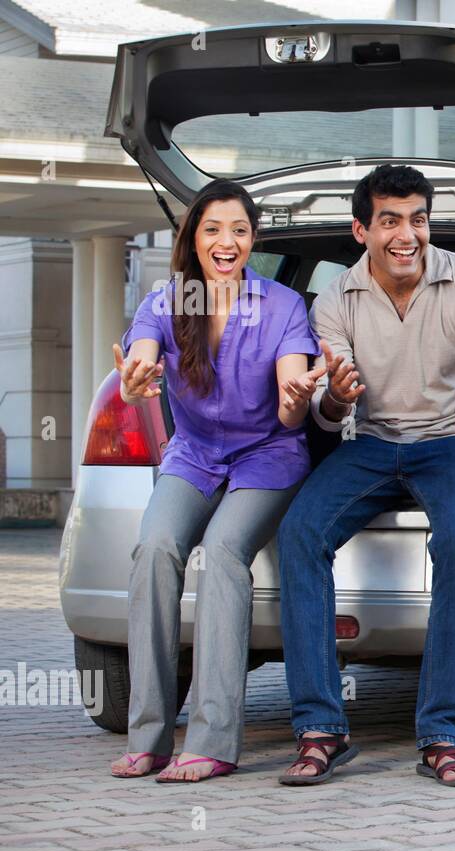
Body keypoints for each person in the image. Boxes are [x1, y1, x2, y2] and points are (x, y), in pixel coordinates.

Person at [276, 164, 455, 786]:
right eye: (390, 220)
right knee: (299, 536)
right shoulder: (336, 299)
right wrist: (335, 398)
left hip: (454, 443)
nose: (406, 235)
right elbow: (327, 406)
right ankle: (321, 730)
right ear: (361, 229)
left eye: (417, 219)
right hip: (372, 442)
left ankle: (444, 737)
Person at [109, 180, 321, 782]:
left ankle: (211, 741)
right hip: (195, 455)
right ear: (193, 239)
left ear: (252, 240)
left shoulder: (282, 305)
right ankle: (148, 735)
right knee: (154, 548)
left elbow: (289, 410)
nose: (226, 242)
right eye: (213, 229)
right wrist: (135, 379)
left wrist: (298, 395)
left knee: (225, 552)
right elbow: (142, 357)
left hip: (268, 456)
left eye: (239, 230)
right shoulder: (166, 302)